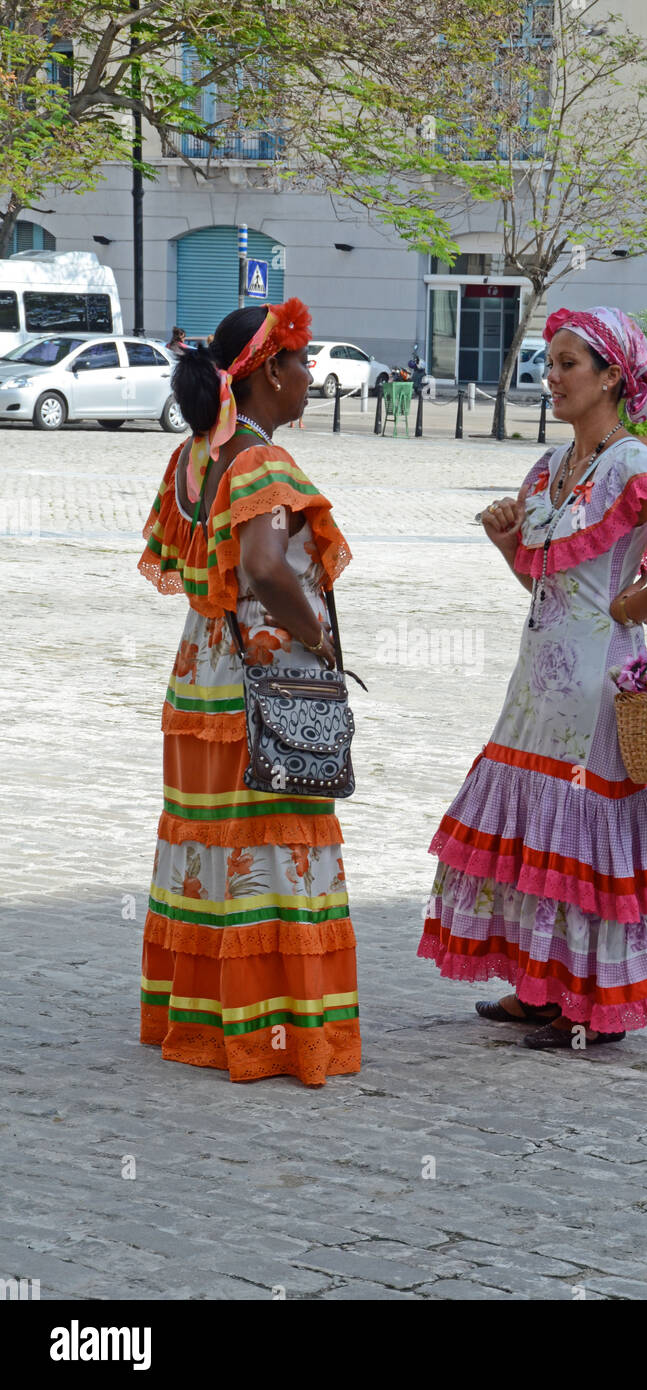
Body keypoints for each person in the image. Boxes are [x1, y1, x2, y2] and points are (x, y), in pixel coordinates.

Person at [418, 306, 647, 1049]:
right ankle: (539, 987)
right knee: (536, 828)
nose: (550, 377)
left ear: (612, 377)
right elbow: (547, 587)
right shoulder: (551, 468)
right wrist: (506, 545)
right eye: (548, 363)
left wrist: (630, 606)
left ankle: (588, 1003)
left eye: (566, 364)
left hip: (596, 684)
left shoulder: (634, 466)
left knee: (580, 834)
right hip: (537, 678)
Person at [138, 300, 360, 1085]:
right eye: (300, 361)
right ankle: (272, 1030)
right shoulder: (261, 462)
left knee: (209, 846)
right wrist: (317, 635)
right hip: (261, 682)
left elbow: (186, 566)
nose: (309, 374)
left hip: (200, 676)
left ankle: (202, 1015)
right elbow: (264, 567)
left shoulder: (194, 457)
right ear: (268, 371)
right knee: (270, 847)